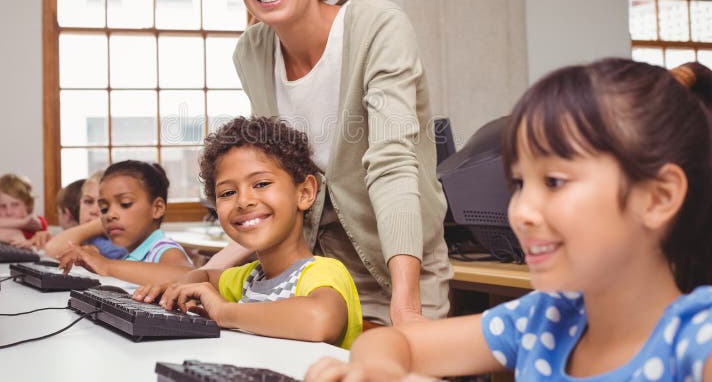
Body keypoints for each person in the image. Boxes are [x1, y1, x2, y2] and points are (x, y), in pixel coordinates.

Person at [145, 0, 452, 327]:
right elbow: (279, 183)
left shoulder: (378, 28)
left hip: (397, 275)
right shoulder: (252, 51)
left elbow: (393, 166)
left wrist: (405, 306)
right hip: (307, 278)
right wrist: (209, 272)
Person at [305, 58, 712, 381]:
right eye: (519, 183)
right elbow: (397, 342)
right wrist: (379, 369)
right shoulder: (544, 318)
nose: (519, 211)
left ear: (658, 198)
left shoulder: (697, 341)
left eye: (554, 181)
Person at [136, 117, 362, 348]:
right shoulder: (249, 278)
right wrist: (181, 287)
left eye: (261, 184)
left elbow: (320, 319)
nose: (243, 201)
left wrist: (225, 312)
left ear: (304, 193)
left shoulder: (322, 272)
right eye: (227, 193)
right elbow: (204, 277)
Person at [57, 161, 193, 284]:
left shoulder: (163, 249)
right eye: (104, 209)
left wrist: (107, 265)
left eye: (125, 204)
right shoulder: (130, 256)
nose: (110, 215)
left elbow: (189, 276)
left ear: (157, 208)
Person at [44, 172, 127, 260]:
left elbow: (51, 250)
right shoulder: (87, 237)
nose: (94, 211)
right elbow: (51, 250)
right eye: (88, 201)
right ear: (80, 204)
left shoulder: (118, 244)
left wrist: (99, 224)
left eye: (103, 204)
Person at [0, 173, 47, 246]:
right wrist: (23, 223)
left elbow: (35, 222)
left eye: (15, 205)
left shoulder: (37, 222)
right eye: (3, 206)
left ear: (27, 204)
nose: (9, 212)